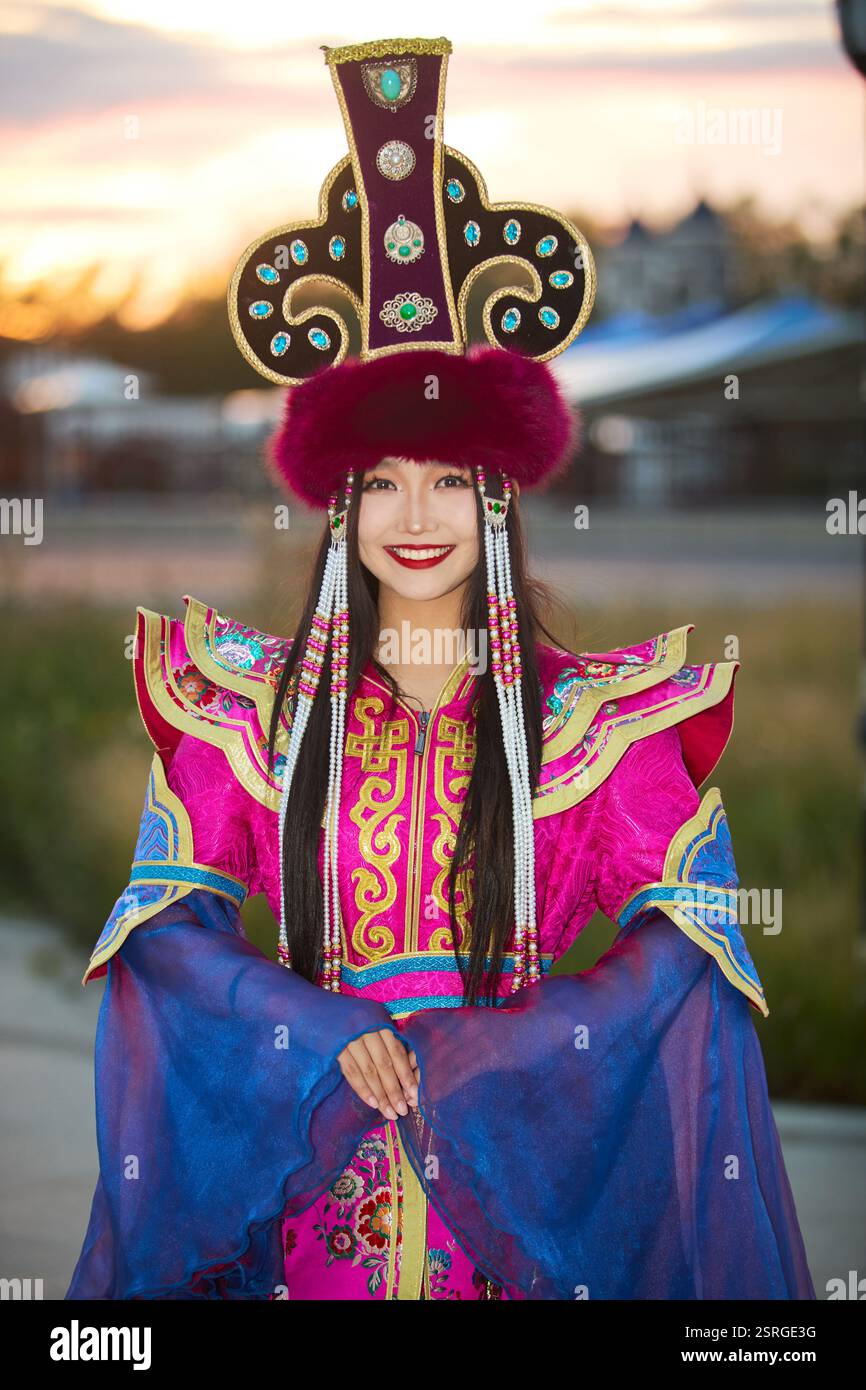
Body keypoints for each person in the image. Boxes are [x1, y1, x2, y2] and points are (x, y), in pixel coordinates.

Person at [66, 34, 815, 1301]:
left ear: (498, 501)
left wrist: (509, 1051)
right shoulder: (255, 718)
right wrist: (318, 1028)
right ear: (337, 508)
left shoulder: (583, 727)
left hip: (502, 1197)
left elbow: (689, 935)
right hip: (311, 1186)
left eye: (452, 482)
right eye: (383, 484)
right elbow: (166, 934)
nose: (417, 515)